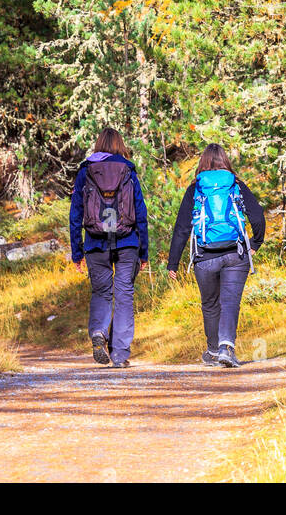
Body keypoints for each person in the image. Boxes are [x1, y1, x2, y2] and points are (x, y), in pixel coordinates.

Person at [167, 143, 265, 368]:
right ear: (225, 161)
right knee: (230, 302)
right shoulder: (235, 183)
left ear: (202, 162)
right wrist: (255, 243)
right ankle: (225, 348)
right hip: (235, 253)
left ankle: (213, 350)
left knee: (210, 304)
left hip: (204, 256)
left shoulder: (196, 187)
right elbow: (257, 216)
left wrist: (173, 262)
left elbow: (182, 226)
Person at [70, 127, 148, 368]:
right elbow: (140, 211)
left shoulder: (85, 170)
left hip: (95, 241)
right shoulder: (128, 169)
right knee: (124, 295)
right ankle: (120, 354)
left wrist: (77, 251)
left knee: (102, 292)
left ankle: (98, 331)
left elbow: (76, 212)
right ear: (120, 144)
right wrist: (143, 250)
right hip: (127, 242)